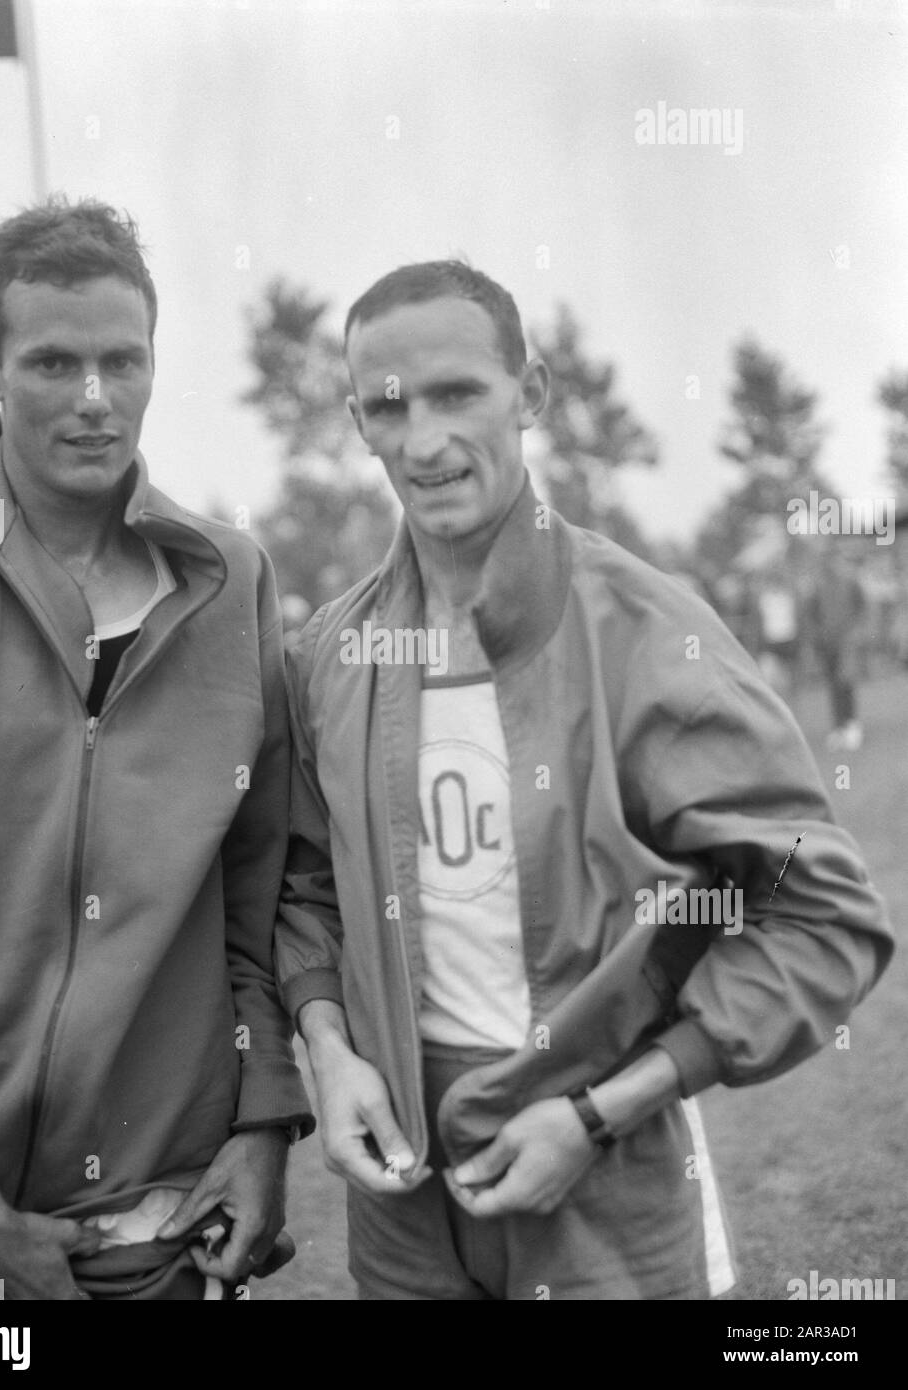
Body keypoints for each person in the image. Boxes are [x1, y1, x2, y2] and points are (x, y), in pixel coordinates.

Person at [274, 260, 893, 1301]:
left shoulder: (647, 633)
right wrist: (330, 1051)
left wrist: (600, 1112)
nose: (423, 440)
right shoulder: (329, 654)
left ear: (534, 394)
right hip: (402, 1210)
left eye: (457, 392)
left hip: (607, 1182)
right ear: (358, 420)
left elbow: (822, 917)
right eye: (388, 406)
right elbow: (305, 894)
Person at [0, 198, 311, 1300]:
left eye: (123, 361)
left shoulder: (233, 580)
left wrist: (263, 1126)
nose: (93, 399)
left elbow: (256, 895)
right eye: (51, 362)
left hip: (163, 1215)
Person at [804, 546, 868, 751]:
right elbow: (811, 614)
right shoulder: (817, 586)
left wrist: (857, 633)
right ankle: (838, 727)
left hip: (847, 642)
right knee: (833, 686)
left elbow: (862, 608)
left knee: (846, 683)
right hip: (827, 644)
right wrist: (817, 635)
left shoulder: (850, 582)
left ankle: (852, 725)